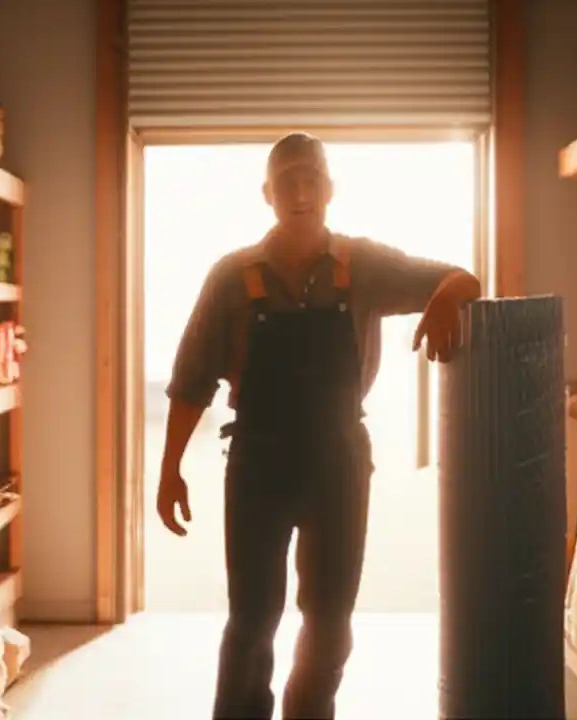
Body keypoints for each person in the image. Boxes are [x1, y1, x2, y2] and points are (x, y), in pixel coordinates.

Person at [156, 132, 481, 719]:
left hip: (339, 463)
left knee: (329, 621)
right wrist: (169, 470)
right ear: (267, 193)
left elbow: (461, 277)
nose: (300, 192)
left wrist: (445, 299)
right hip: (257, 461)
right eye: (287, 181)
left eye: (311, 179)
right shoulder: (232, 276)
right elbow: (191, 380)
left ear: (330, 189)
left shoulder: (362, 264)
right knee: (252, 619)